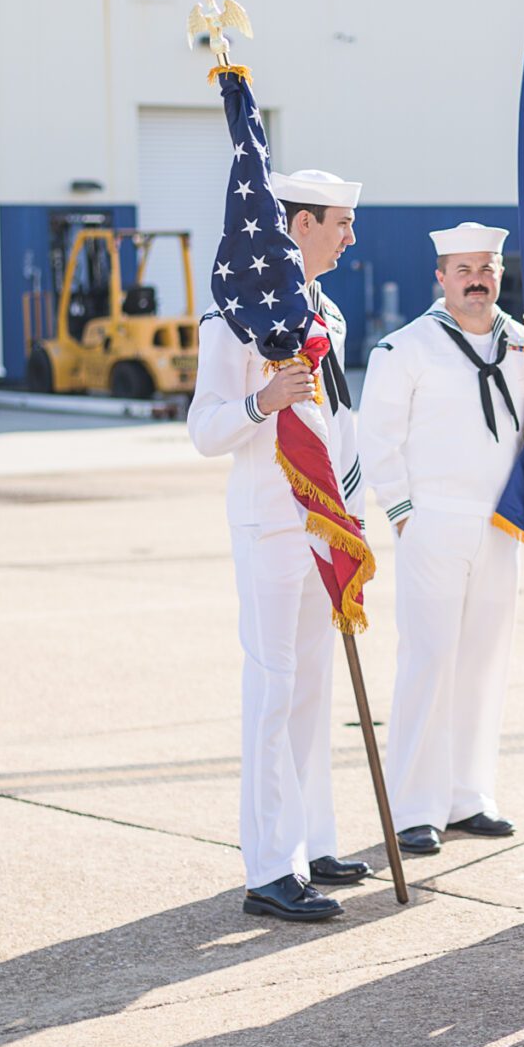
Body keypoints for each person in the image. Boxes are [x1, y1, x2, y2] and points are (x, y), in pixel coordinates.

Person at [188, 168, 372, 922]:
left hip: (320, 518)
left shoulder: (324, 309)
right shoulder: (235, 315)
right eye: (339, 221)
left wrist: (353, 512)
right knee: (272, 689)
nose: (351, 237)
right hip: (268, 516)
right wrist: (262, 402)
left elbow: (339, 419)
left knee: (312, 689)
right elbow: (204, 430)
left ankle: (312, 841)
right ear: (297, 225)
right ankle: (270, 867)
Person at [358, 223, 524, 855]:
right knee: (429, 660)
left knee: (484, 661)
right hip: (433, 519)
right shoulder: (407, 348)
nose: (476, 279)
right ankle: (415, 806)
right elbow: (376, 436)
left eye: (485, 267)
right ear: (441, 277)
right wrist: (404, 512)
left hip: (500, 523)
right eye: (463, 269)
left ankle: (468, 795)